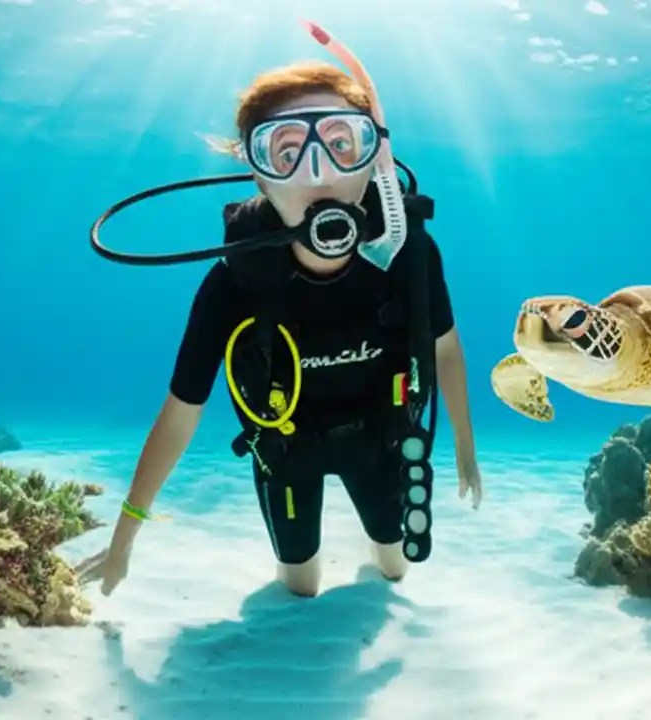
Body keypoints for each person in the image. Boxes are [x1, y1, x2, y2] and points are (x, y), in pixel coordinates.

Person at [79, 23, 482, 598]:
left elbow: (445, 347)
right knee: (300, 588)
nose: (318, 172)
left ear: (377, 159)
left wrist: (465, 448)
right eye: (286, 151)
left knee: (393, 569)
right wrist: (125, 536)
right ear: (259, 174)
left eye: (343, 143)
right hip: (286, 451)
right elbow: (180, 413)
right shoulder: (231, 286)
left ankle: (378, 561)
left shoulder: (410, 253)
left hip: (380, 441)